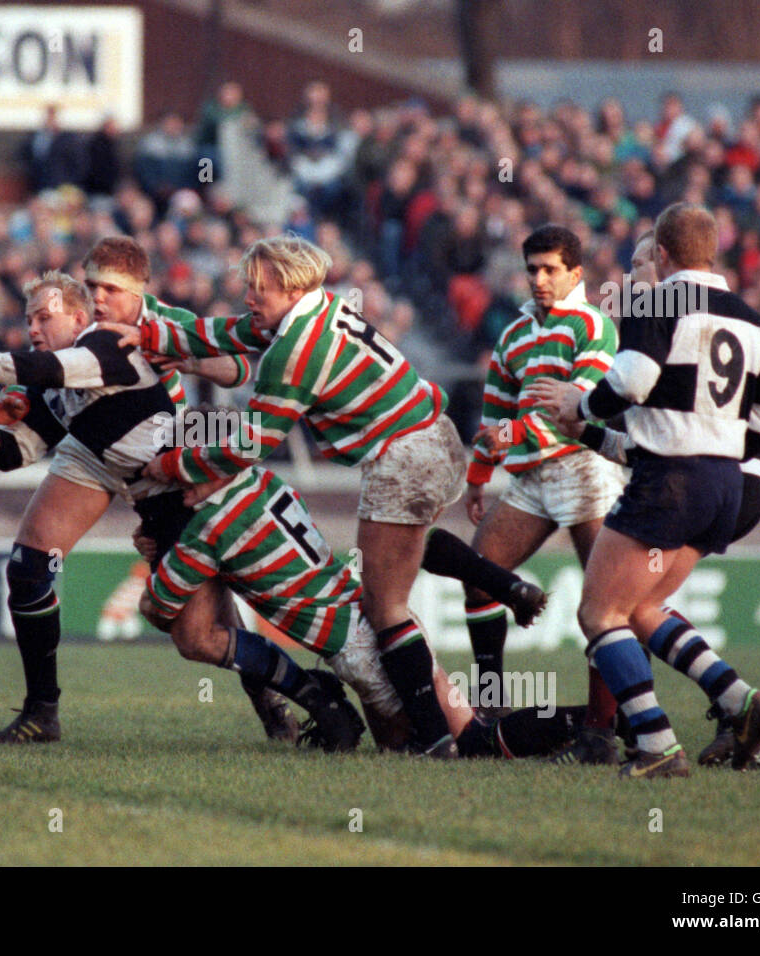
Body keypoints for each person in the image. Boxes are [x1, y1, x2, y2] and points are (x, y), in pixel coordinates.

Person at [130, 235, 546, 755]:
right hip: (432, 434)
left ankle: (437, 740)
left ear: (292, 285)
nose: (249, 296)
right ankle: (500, 590)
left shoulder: (293, 351)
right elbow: (227, 332)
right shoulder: (318, 309)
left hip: (404, 453)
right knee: (395, 560)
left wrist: (171, 464)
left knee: (386, 604)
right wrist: (157, 336)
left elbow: (251, 443)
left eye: (259, 287)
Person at [0, 271, 359, 748]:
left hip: (188, 478)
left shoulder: (118, 337)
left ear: (87, 312)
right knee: (47, 577)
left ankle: (307, 701)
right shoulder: (53, 378)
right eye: (28, 319)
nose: (32, 328)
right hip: (134, 480)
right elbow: (13, 454)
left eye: (43, 318)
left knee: (216, 624)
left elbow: (236, 370)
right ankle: (41, 712)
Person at [528, 203, 760, 778]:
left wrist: (582, 405)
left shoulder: (659, 303)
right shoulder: (753, 318)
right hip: (727, 488)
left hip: (671, 483)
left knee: (600, 612)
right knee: (643, 608)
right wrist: (713, 435)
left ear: (664, 254)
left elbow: (632, 380)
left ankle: (655, 744)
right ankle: (738, 700)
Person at [135, 465, 584, 759]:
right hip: (362, 613)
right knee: (396, 746)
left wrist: (155, 573)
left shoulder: (209, 528)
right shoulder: (263, 480)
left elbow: (162, 608)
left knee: (471, 745)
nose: (179, 479)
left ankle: (595, 722)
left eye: (186, 467)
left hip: (361, 646)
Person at [462, 224, 625, 761]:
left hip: (584, 468)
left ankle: (603, 729)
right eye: (532, 268)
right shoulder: (513, 335)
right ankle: (491, 706)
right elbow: (494, 408)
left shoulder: (594, 325)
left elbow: (578, 410)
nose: (539, 278)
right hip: (531, 476)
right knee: (480, 573)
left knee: (606, 604)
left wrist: (508, 435)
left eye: (550, 268)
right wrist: (479, 475)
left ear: (576, 274)